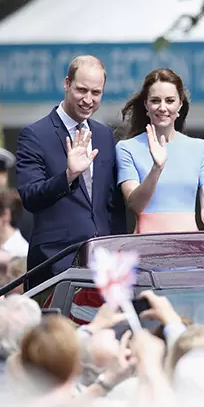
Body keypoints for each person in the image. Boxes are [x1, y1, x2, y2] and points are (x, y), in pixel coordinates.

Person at [16, 55, 126, 289]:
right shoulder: (36, 135)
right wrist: (68, 177)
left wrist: (119, 250)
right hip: (56, 263)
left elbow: (111, 204)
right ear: (67, 84)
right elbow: (30, 196)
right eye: (81, 90)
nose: (88, 100)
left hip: (103, 263)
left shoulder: (104, 135)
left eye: (96, 93)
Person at [116, 68, 204, 233]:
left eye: (170, 100)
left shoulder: (199, 148)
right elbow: (135, 205)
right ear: (146, 104)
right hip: (146, 247)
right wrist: (156, 168)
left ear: (180, 104)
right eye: (155, 100)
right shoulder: (127, 148)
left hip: (189, 247)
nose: (162, 108)